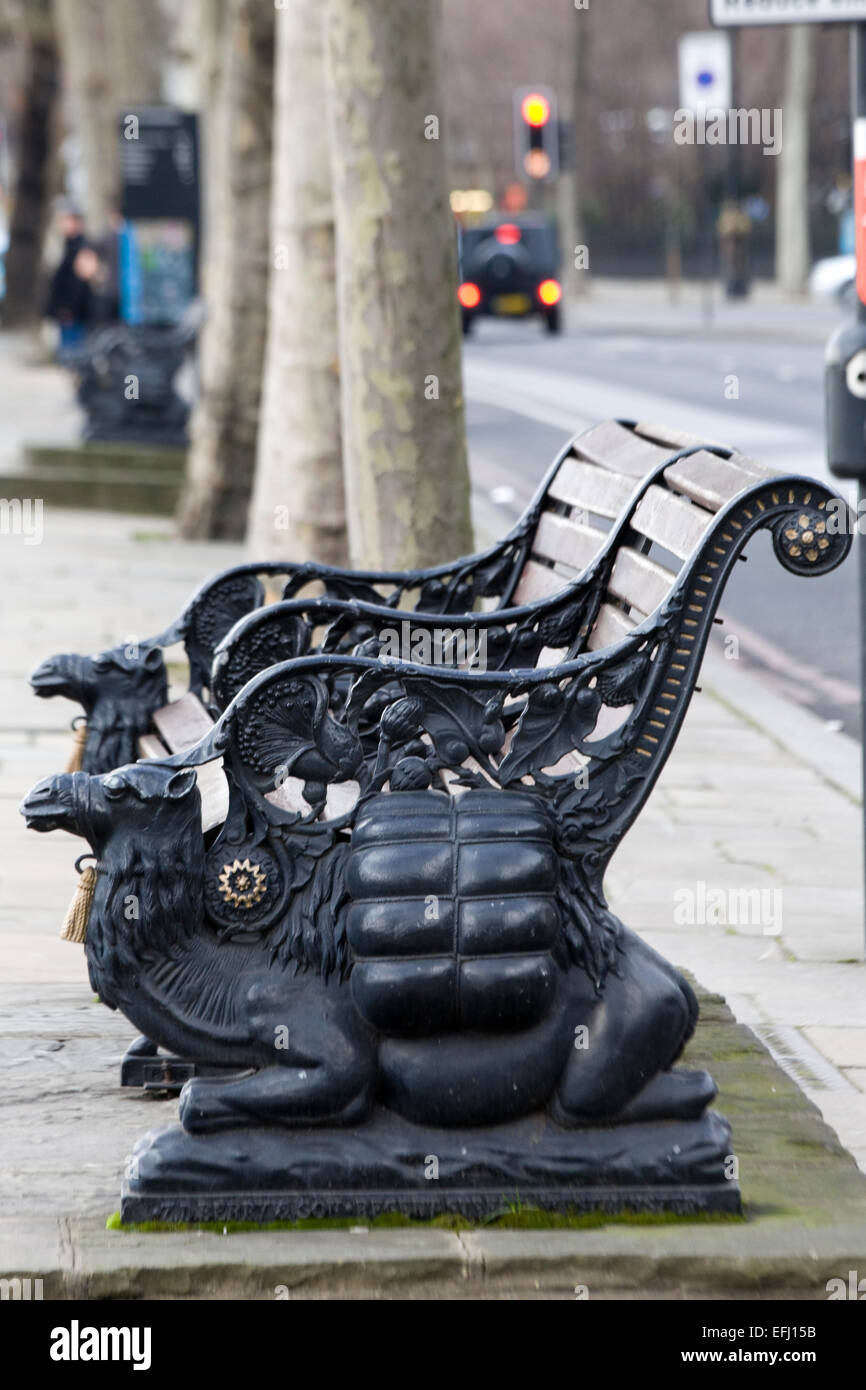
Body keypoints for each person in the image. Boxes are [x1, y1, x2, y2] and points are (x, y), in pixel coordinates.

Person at [45, 208, 94, 350]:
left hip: (73, 312)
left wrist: (68, 308)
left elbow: (79, 281)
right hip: (67, 311)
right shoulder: (68, 245)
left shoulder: (80, 247)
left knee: (73, 351)